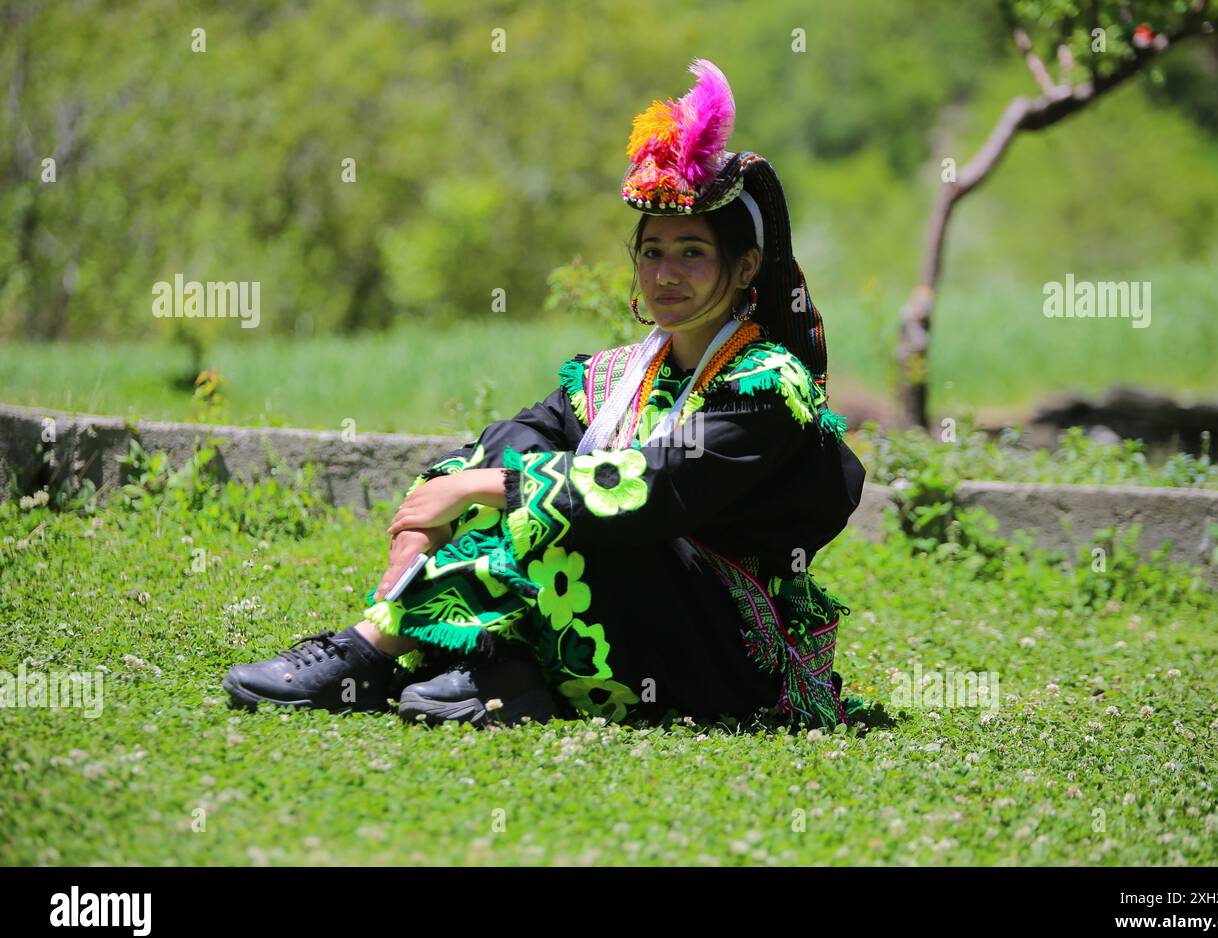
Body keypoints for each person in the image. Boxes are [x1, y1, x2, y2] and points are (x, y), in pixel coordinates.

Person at [222, 58, 869, 730]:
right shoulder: (616, 378)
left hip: (726, 653)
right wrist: (427, 513)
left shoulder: (767, 384)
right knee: (513, 466)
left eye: (692, 253)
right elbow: (516, 439)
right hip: (631, 624)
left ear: (745, 268)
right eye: (651, 253)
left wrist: (488, 490)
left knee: (570, 507)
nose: (666, 274)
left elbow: (659, 489)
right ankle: (503, 673)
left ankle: (369, 652)